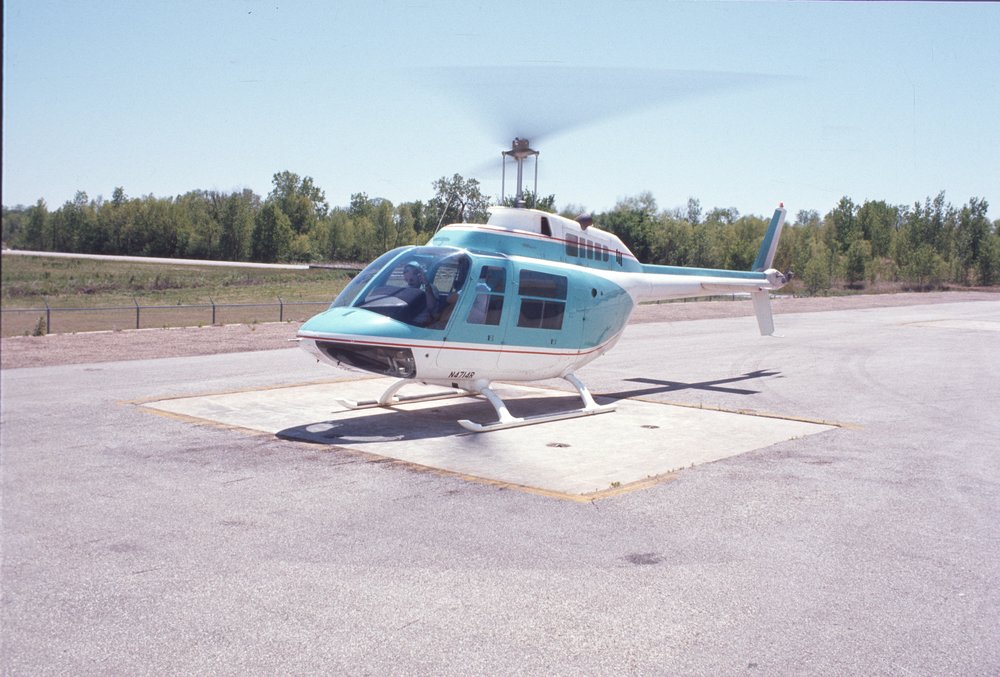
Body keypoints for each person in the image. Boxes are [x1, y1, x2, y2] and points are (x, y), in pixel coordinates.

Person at [402, 261, 438, 325]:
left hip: (422, 323)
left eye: (411, 280)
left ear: (419, 276)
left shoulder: (431, 288)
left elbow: (431, 307)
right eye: (406, 280)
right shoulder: (406, 288)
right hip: (406, 322)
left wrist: (427, 286)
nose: (409, 283)